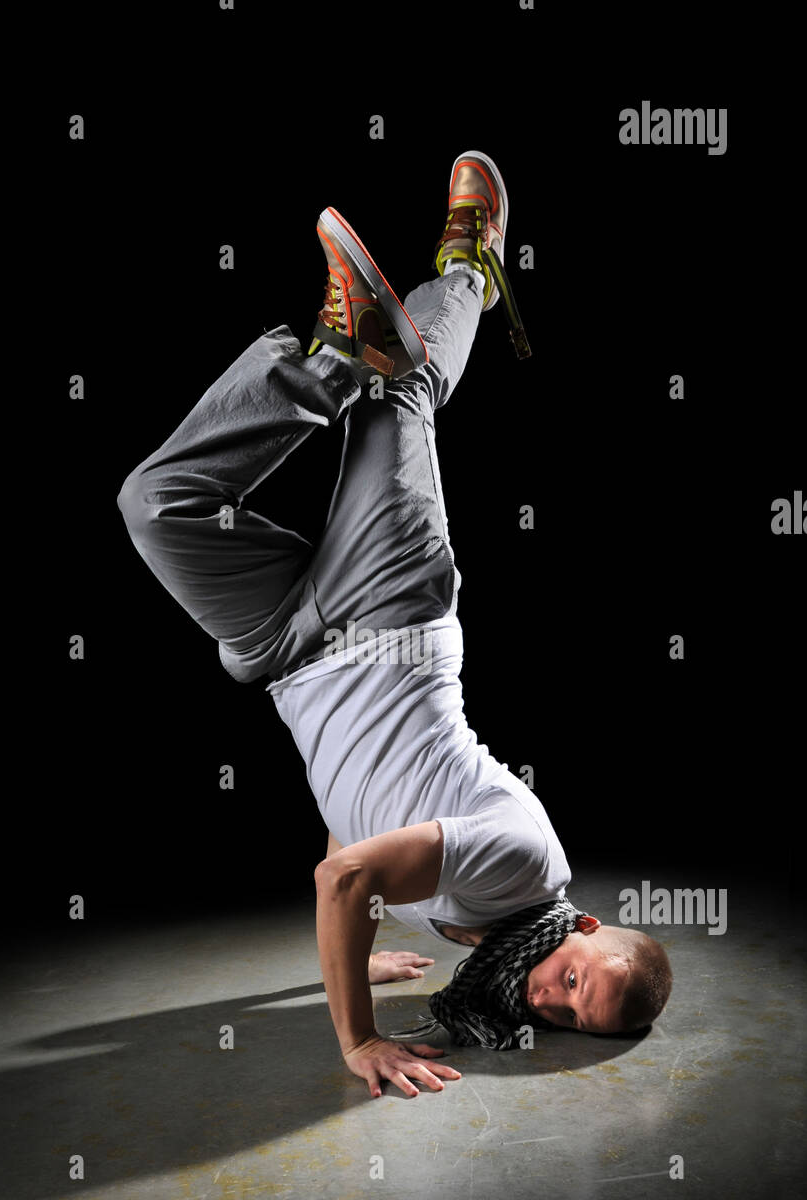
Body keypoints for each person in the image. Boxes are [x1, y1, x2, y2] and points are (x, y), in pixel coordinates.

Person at [117, 151, 672, 1101]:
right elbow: (344, 880)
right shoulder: (525, 860)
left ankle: (332, 354)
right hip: (391, 612)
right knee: (398, 387)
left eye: (565, 1018)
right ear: (584, 929)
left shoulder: (476, 940)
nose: (548, 999)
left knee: (155, 503)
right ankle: (473, 266)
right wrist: (357, 1037)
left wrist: (366, 943)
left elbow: (358, 869)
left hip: (290, 653)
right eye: (576, 982)